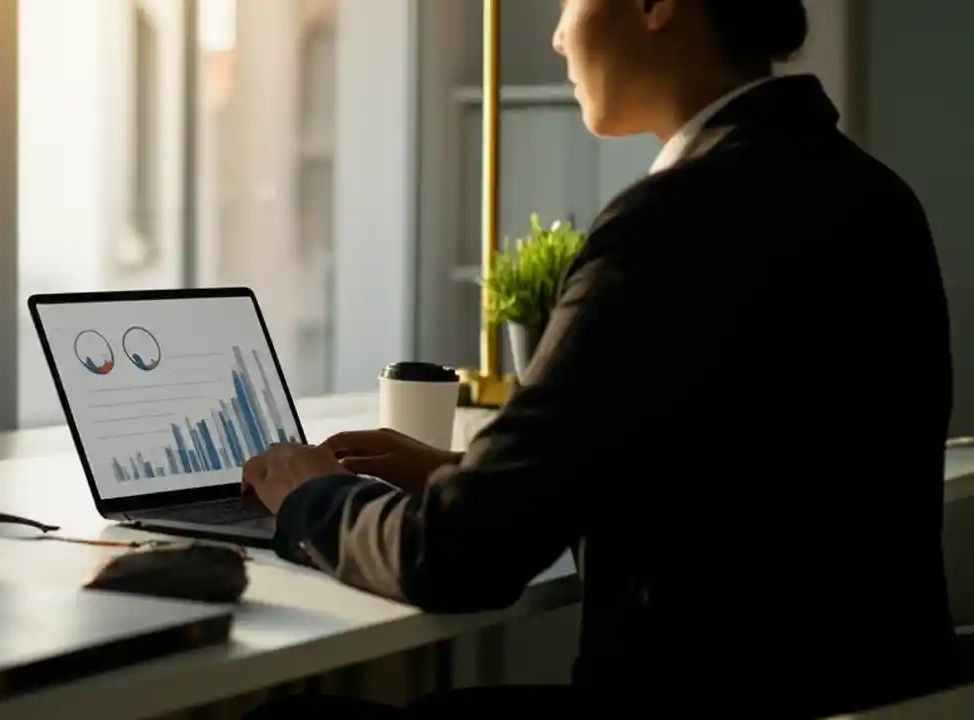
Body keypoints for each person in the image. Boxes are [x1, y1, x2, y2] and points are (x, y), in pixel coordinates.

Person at [242, 0, 958, 716]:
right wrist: (464, 476)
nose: (557, 35)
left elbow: (457, 563)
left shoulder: (673, 222)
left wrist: (312, 496)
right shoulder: (873, 195)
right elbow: (740, 487)